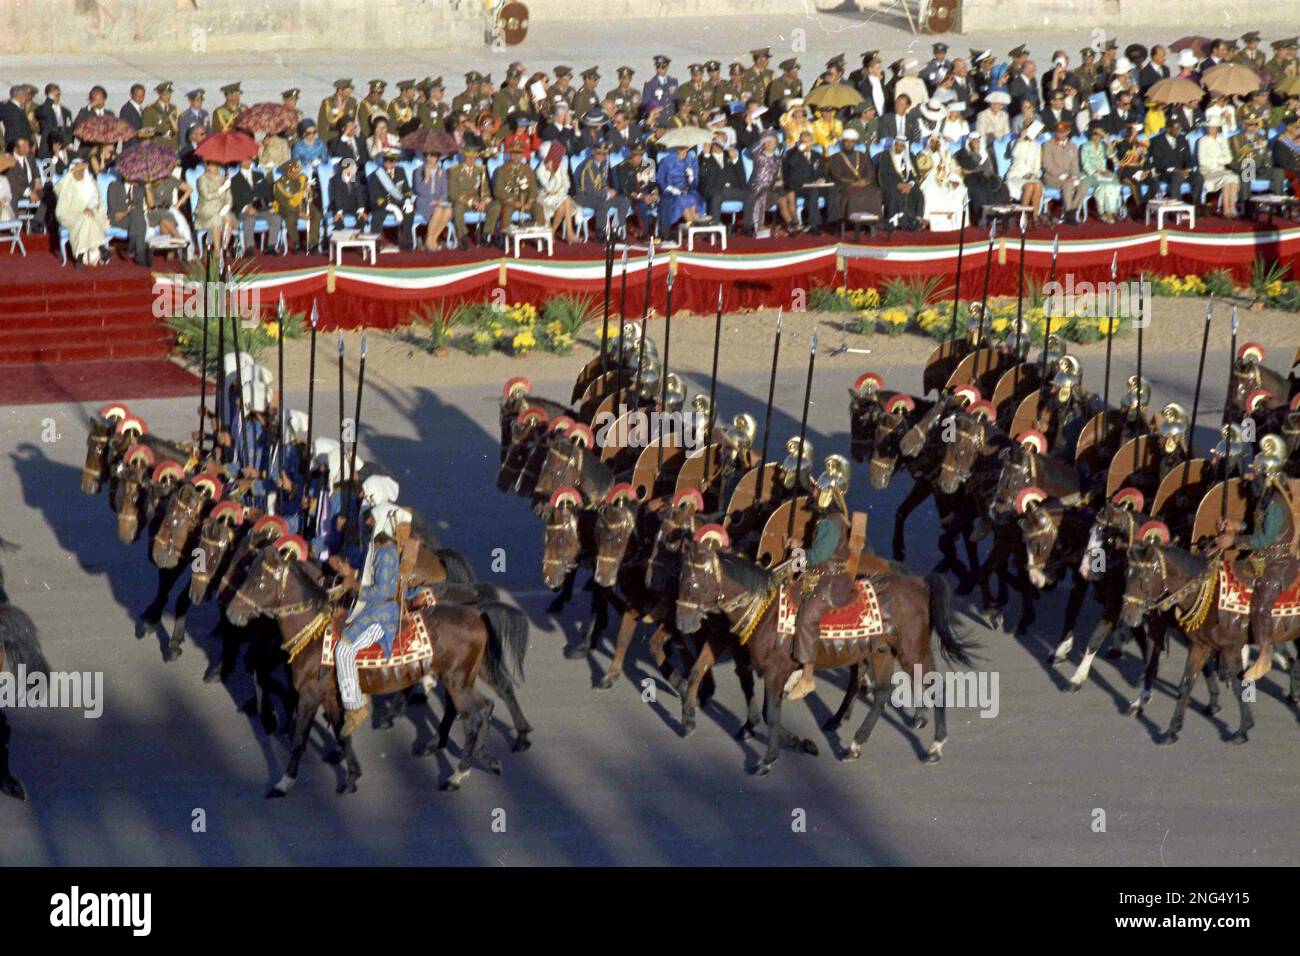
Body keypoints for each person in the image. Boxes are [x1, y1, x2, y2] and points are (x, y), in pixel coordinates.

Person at [1216, 437, 1298, 683]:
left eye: (1258, 472)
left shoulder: (1274, 502)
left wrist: (1233, 542)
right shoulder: (1265, 498)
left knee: (1261, 605)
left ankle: (1264, 655)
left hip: (1277, 563)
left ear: (1269, 474)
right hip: (1261, 558)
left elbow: (1263, 539)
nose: (1252, 477)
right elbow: (1255, 526)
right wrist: (1234, 527)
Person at [785, 455, 854, 701]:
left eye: (819, 490)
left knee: (806, 616)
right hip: (822, 574)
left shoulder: (829, 523)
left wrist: (796, 551)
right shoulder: (829, 519)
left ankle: (807, 677)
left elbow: (818, 555)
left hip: (830, 580)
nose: (814, 493)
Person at [335, 501, 406, 736]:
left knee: (343, 650)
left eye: (371, 519)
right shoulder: (377, 548)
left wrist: (353, 584)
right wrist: (350, 573)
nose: (367, 522)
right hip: (371, 608)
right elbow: (368, 576)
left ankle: (355, 707)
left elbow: (383, 592)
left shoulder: (386, 554)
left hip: (381, 616)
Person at [54, 155, 110, 266]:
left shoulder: (90, 182)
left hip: (89, 212)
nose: (80, 173)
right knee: (87, 218)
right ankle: (101, 246)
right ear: (71, 171)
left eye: (82, 171)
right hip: (68, 214)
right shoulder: (66, 184)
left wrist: (89, 207)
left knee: (86, 218)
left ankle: (79, 255)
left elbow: (95, 198)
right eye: (77, 171)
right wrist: (71, 173)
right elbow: (57, 188)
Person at [825, 128, 881, 232]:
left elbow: (870, 171)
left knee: (875, 193)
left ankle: (869, 223)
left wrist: (866, 181)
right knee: (853, 195)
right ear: (843, 142)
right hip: (845, 186)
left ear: (855, 143)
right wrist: (854, 183)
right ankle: (852, 223)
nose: (849, 144)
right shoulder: (835, 157)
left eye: (851, 142)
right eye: (847, 141)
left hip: (864, 185)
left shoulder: (862, 155)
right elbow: (837, 176)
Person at [487, 141, 544, 241]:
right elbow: (498, 191)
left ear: (522, 155)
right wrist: (513, 202)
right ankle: (506, 238)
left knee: (538, 207)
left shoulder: (527, 169)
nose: (516, 156)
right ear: (509, 154)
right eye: (513, 153)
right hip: (509, 201)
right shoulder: (501, 170)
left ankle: (537, 236)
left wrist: (530, 202)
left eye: (519, 154)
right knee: (507, 210)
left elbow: (533, 189)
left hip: (525, 201)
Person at [575, 141, 630, 241]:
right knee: (603, 203)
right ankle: (600, 233)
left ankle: (615, 230)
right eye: (599, 153)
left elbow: (602, 181)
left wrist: (608, 189)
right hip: (586, 197)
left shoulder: (604, 162)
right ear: (593, 152)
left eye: (604, 154)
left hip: (600, 194)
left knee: (624, 201)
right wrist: (607, 193)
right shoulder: (587, 167)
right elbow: (589, 191)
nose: (602, 156)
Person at [230, 156, 283, 255]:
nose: (249, 161)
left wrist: (269, 204)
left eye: (250, 159)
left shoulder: (259, 175)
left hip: (260, 208)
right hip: (244, 209)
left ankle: (271, 246)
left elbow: (266, 192)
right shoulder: (234, 179)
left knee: (276, 217)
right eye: (246, 159)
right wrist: (246, 208)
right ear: (240, 162)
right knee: (250, 219)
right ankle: (249, 247)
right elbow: (234, 199)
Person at [366, 149, 416, 250]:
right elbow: (376, 197)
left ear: (395, 161)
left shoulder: (400, 171)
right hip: (383, 204)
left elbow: (406, 188)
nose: (388, 163)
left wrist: (407, 200)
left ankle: (407, 243)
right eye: (386, 160)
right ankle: (375, 245)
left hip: (399, 202)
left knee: (409, 212)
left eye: (391, 160)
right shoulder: (376, 175)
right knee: (378, 215)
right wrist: (391, 207)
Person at [698, 138, 751, 231]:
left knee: (749, 195)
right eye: (715, 145)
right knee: (717, 196)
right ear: (711, 146)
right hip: (714, 190)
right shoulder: (704, 157)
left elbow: (742, 178)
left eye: (721, 145)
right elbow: (702, 176)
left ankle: (746, 228)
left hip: (731, 190)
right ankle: (715, 228)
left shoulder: (730, 156)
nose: (718, 147)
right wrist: (706, 155)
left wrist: (735, 160)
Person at [656, 144, 709, 237]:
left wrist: (691, 177)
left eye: (685, 147)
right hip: (670, 193)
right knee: (682, 200)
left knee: (691, 198)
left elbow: (694, 185)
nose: (682, 149)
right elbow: (660, 179)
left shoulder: (692, 161)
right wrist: (671, 189)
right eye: (680, 147)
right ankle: (695, 229)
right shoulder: (666, 160)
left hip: (687, 191)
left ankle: (695, 228)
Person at [1149, 116, 1202, 207]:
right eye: (1176, 128)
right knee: (1177, 177)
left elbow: (1188, 158)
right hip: (1165, 172)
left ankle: (1196, 206)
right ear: (1168, 129)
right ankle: (1177, 209)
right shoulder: (1157, 141)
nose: (1179, 130)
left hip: (1183, 171)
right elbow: (1158, 162)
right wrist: (1176, 170)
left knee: (1198, 177)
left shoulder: (1182, 139)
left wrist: (1187, 169)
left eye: (1180, 128)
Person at [917, 135, 968, 230]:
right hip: (930, 180)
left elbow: (955, 168)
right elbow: (922, 168)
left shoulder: (947, 154)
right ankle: (926, 219)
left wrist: (955, 179)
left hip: (946, 180)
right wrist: (935, 155)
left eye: (937, 143)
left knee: (961, 189)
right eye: (933, 142)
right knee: (931, 190)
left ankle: (956, 222)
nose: (935, 144)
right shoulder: (923, 154)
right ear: (929, 143)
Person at [1197, 108, 1240, 217]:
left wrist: (1220, 161)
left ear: (1217, 128)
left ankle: (1232, 207)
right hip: (1208, 171)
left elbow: (1229, 158)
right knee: (1227, 178)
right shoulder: (1202, 141)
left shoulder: (1221, 140)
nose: (1211, 129)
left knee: (1234, 177)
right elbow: (1202, 160)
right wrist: (1218, 161)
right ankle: (1226, 209)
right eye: (1209, 127)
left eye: (1213, 127)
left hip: (1221, 170)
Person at [1042, 121, 1086, 223]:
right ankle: (1070, 215)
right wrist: (1064, 176)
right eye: (1058, 132)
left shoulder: (1072, 146)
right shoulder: (1048, 145)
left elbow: (1074, 165)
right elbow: (1047, 165)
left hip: (1070, 176)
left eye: (1062, 132)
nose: (1060, 134)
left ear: (1068, 132)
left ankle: (1071, 212)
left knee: (1083, 185)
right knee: (1068, 184)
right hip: (1052, 177)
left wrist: (1074, 176)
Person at [536, 140, 580, 242]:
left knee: (564, 201)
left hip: (559, 196)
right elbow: (549, 188)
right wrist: (552, 173)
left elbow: (567, 183)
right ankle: (567, 233)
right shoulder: (540, 170)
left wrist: (559, 191)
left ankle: (554, 232)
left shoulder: (560, 165)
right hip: (545, 197)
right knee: (565, 202)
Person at [448, 143, 491, 248]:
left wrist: (484, 201)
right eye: (469, 158)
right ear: (464, 157)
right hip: (463, 200)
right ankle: (462, 237)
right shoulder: (454, 171)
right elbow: (453, 194)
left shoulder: (481, 170)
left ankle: (486, 234)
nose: (472, 160)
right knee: (457, 208)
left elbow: (485, 190)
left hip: (478, 199)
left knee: (496, 206)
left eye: (474, 158)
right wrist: (472, 202)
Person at [274, 159, 321, 253]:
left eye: (297, 171)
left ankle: (313, 243)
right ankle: (296, 243)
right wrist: (299, 213)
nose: (297, 173)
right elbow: (285, 203)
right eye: (294, 171)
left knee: (317, 214)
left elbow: (309, 194)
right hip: (287, 208)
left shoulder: (303, 178)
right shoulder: (280, 184)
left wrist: (309, 195)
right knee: (291, 217)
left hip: (302, 205)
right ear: (288, 172)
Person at [878, 135, 924, 229]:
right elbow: (883, 175)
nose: (898, 148)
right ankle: (896, 223)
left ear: (905, 146)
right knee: (894, 193)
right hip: (891, 185)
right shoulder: (885, 156)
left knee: (918, 193)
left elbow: (915, 175)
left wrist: (909, 185)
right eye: (897, 145)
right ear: (894, 144)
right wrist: (898, 185)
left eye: (901, 146)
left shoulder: (910, 156)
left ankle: (914, 221)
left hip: (908, 185)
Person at [1080, 123, 1122, 222]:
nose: (1097, 136)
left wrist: (1107, 139)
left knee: (1114, 183)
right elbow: (1085, 164)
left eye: (1099, 135)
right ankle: (1103, 212)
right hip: (1089, 174)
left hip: (1103, 173)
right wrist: (1097, 172)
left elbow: (1113, 157)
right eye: (1095, 134)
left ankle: (1110, 211)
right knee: (1103, 185)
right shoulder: (1085, 146)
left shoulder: (1103, 145)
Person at [106, 176, 149, 265]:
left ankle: (135, 251)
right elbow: (113, 209)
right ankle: (135, 250)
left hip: (133, 218)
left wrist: (147, 186)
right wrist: (129, 209)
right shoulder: (114, 185)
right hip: (117, 218)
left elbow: (142, 207)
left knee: (138, 219)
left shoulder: (139, 188)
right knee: (139, 221)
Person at [412, 151, 452, 250]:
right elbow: (419, 190)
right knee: (438, 210)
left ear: (437, 158)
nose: (430, 158)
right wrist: (426, 178)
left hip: (438, 201)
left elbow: (444, 191)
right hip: (424, 200)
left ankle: (432, 239)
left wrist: (440, 200)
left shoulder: (442, 171)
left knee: (448, 211)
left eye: (433, 156)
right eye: (428, 156)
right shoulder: (418, 171)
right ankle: (430, 241)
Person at [194, 162, 236, 253]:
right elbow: (207, 196)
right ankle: (217, 250)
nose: (214, 167)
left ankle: (224, 248)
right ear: (207, 166)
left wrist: (227, 207)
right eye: (211, 165)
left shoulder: (224, 179)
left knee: (228, 219)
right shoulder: (202, 179)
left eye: (216, 164)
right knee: (216, 219)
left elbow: (229, 198)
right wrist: (222, 189)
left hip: (221, 209)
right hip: (206, 209)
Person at [1006, 121, 1045, 216]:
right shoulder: (1015, 142)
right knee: (1030, 186)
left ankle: (1035, 217)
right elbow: (1014, 154)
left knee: (1038, 185)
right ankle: (1024, 217)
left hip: (1029, 176)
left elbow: (1037, 165)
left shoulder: (1037, 145)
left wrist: (1033, 174)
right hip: (1015, 175)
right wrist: (1021, 139)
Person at [329, 157, 370, 232]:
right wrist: (339, 212)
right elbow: (336, 197)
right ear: (346, 168)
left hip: (353, 206)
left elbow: (359, 195)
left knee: (362, 220)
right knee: (338, 222)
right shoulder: (335, 180)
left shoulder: (356, 178)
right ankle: (340, 240)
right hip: (339, 207)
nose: (356, 169)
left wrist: (361, 210)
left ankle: (357, 239)